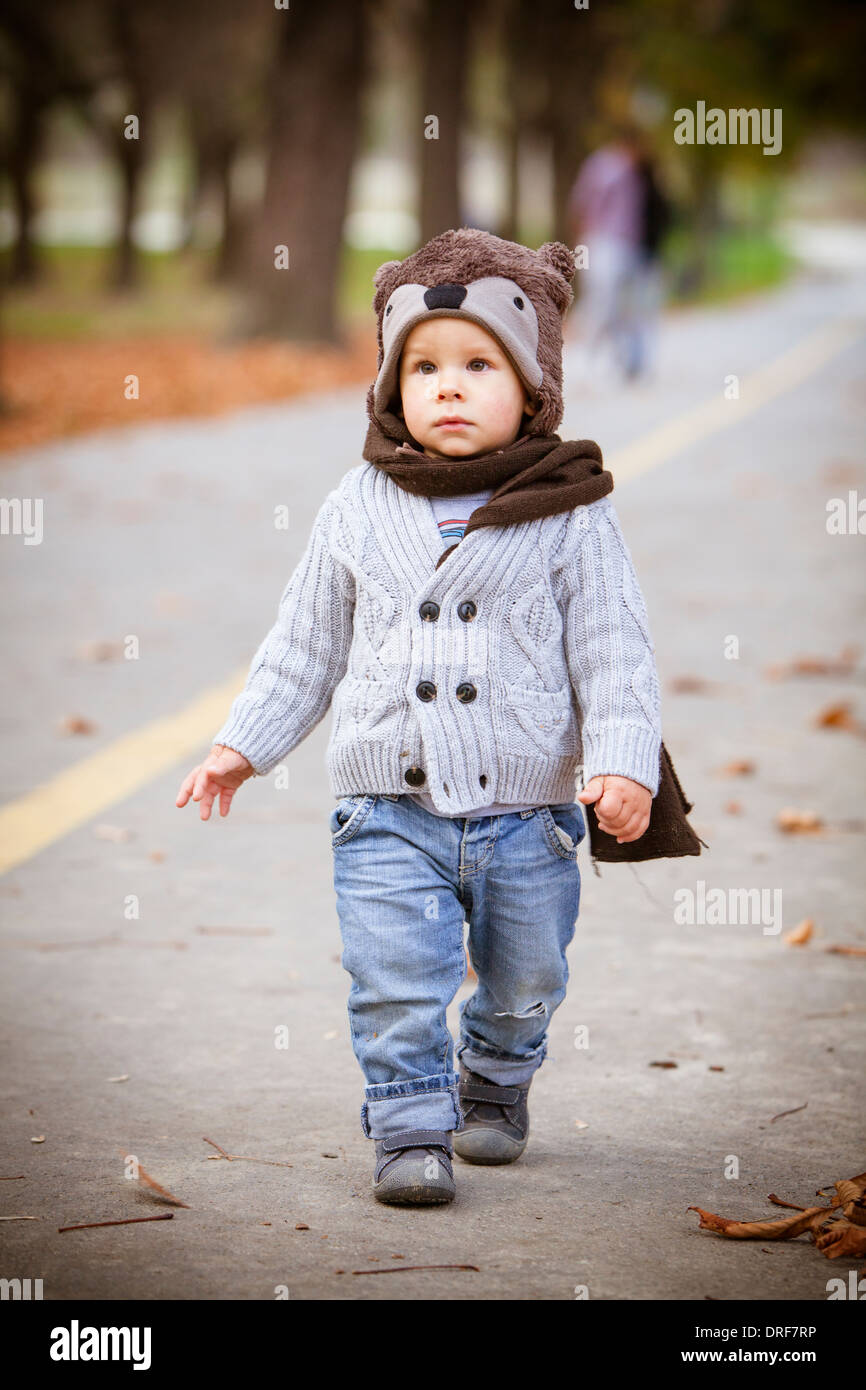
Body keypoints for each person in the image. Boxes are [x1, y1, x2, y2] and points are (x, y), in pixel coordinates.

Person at [176, 227, 679, 1208]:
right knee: (393, 976)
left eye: (478, 365)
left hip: (525, 815)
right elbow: (303, 645)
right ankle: (408, 1123)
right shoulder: (357, 506)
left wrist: (623, 764)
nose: (448, 387)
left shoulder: (569, 509)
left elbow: (613, 650)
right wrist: (245, 743)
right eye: (424, 368)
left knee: (524, 973)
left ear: (533, 387)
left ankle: (494, 1078)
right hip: (385, 808)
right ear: (389, 388)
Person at [568, 128, 670, 381]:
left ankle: (624, 362)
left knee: (626, 307)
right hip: (605, 242)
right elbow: (583, 204)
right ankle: (583, 356)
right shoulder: (604, 165)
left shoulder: (637, 173)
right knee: (603, 301)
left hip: (628, 246)